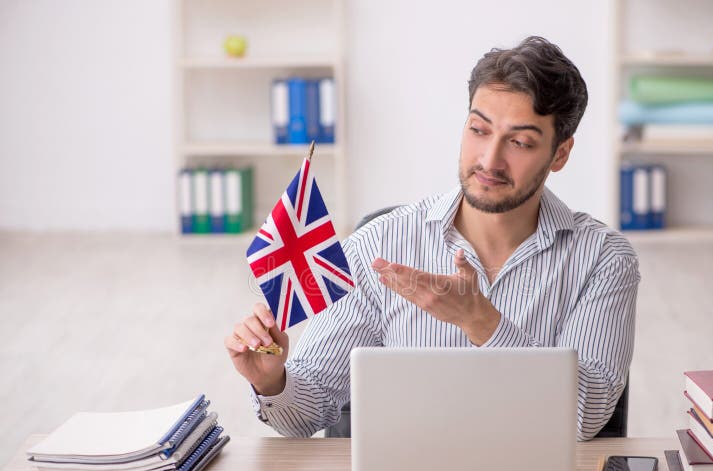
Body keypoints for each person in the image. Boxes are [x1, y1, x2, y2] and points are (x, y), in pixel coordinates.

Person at [225, 36, 640, 441]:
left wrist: (482, 322)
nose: (489, 160)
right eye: (479, 130)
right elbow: (307, 411)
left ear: (560, 154)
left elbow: (585, 417)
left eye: (520, 142)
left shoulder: (602, 258)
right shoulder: (379, 245)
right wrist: (273, 382)